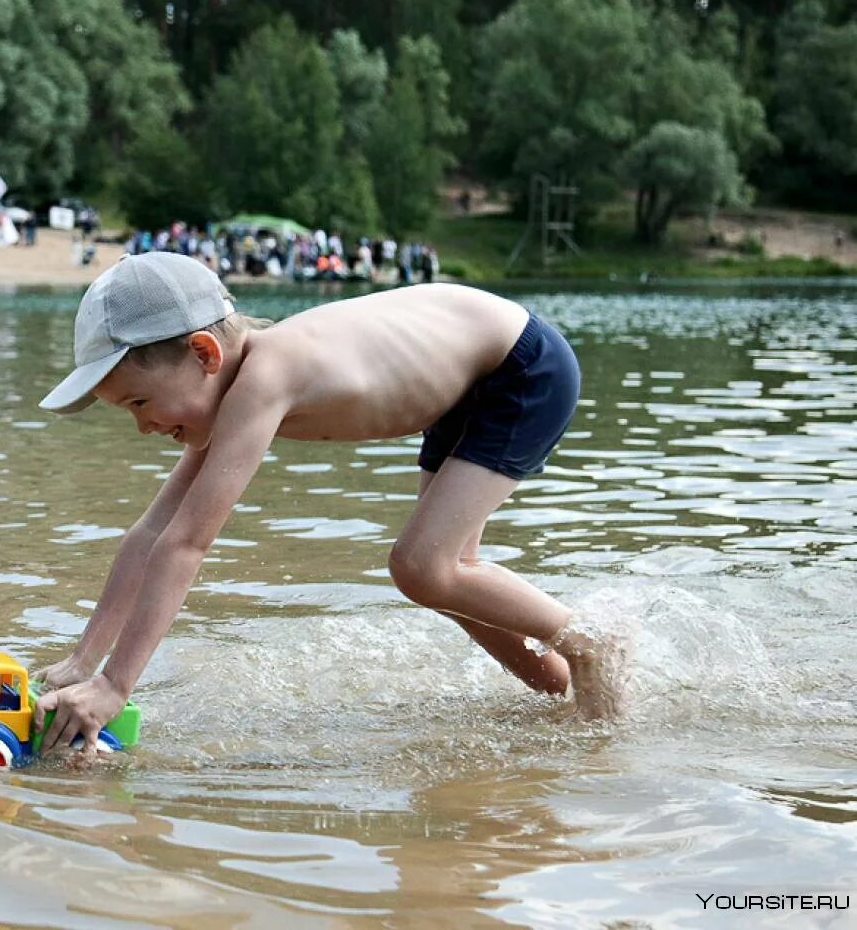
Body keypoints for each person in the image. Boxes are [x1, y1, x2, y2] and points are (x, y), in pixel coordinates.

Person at [31, 252, 625, 758]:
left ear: (205, 354)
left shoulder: (266, 378)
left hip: (518, 368)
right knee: (446, 579)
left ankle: (592, 644)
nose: (142, 427)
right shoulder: (235, 384)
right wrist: (85, 660)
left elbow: (187, 542)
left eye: (140, 402)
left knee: (425, 567)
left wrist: (115, 685)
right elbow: (151, 532)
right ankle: (560, 694)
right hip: (467, 379)